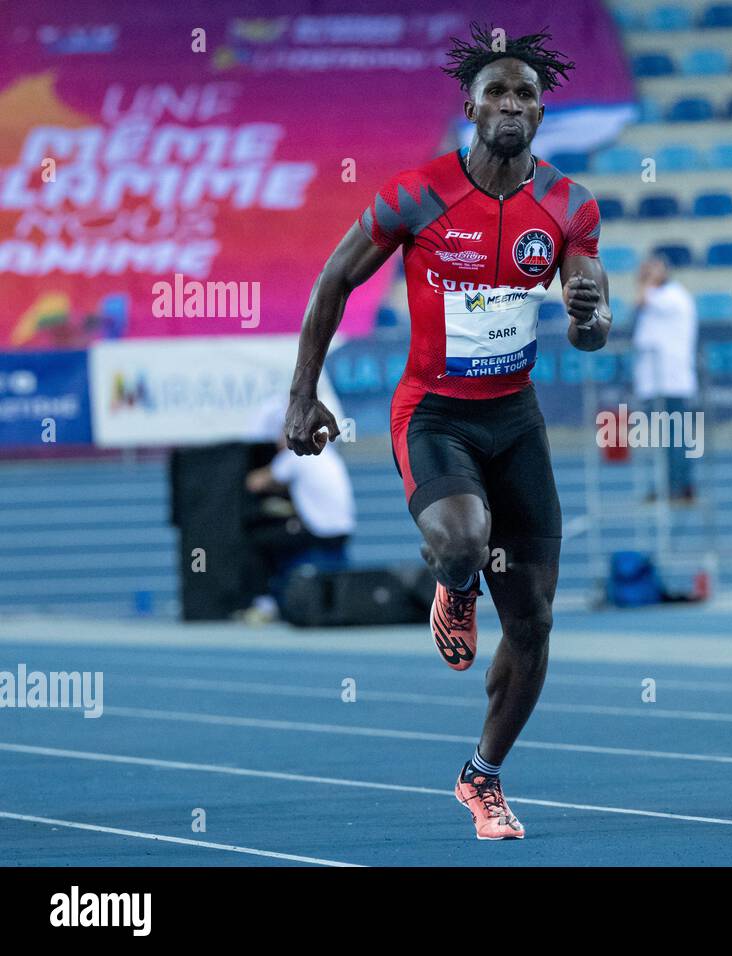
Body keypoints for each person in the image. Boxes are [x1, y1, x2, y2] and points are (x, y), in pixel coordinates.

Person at [282, 24, 612, 840]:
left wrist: (590, 316)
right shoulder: (416, 194)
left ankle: (483, 777)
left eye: (525, 95)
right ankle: (456, 588)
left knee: (534, 625)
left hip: (516, 418)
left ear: (541, 112)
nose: (510, 105)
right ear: (470, 104)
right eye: (496, 92)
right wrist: (303, 396)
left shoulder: (569, 206)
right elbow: (334, 280)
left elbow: (590, 310)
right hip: (432, 412)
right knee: (463, 538)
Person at [244, 398, 356, 621]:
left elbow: (255, 482)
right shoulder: (326, 453)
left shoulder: (295, 454)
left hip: (318, 532)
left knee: (255, 539)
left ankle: (265, 601)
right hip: (343, 531)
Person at [632, 253, 699, 502]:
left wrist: (648, 279)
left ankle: (678, 485)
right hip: (661, 381)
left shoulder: (671, 297)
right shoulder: (666, 297)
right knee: (669, 438)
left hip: (670, 381)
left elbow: (640, 298)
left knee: (674, 438)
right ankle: (675, 485)